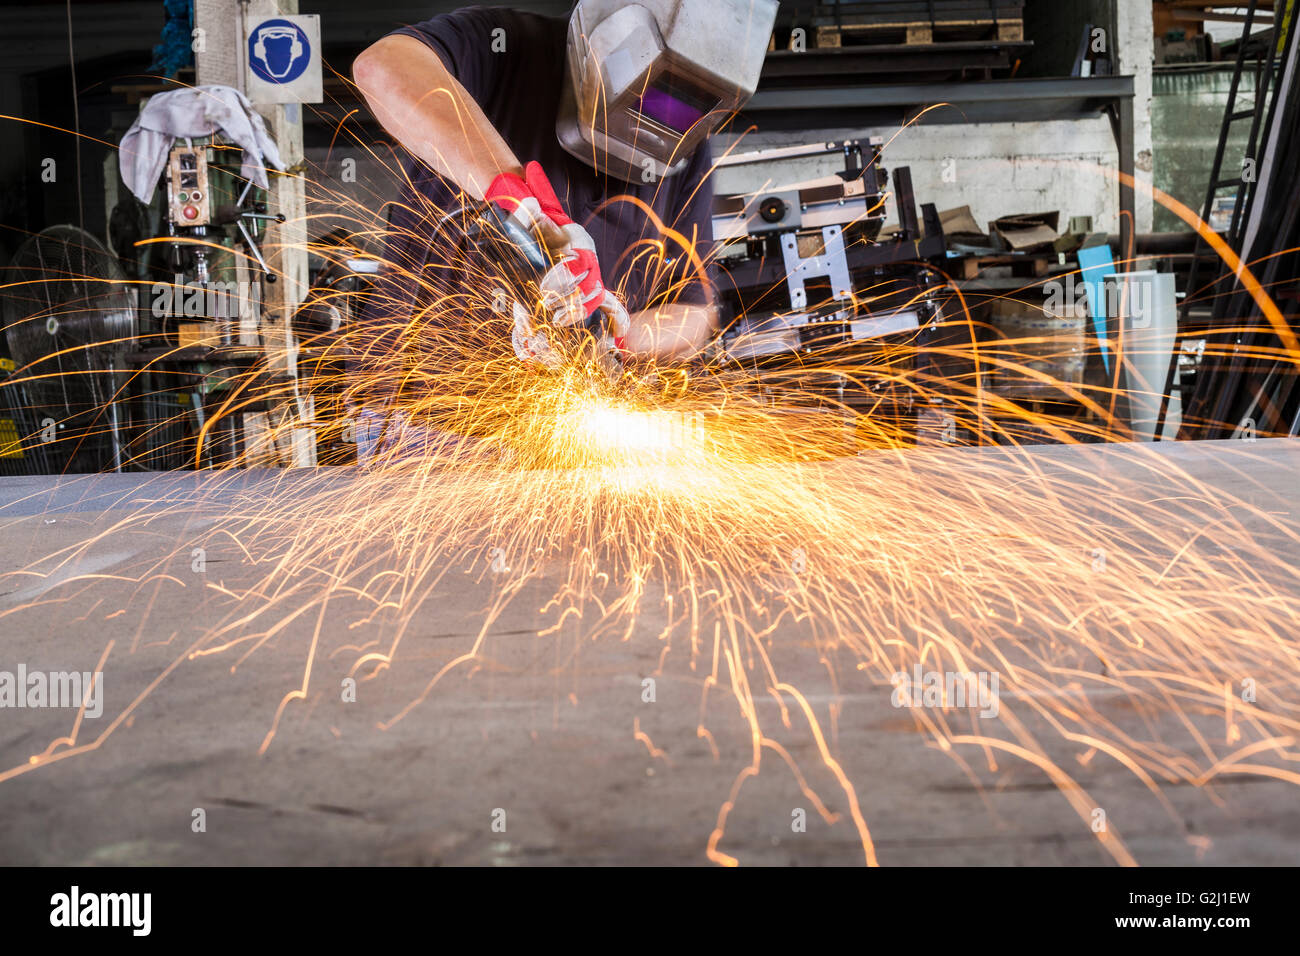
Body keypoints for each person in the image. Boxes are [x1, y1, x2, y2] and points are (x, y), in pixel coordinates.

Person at [351, 0, 777, 398]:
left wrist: (610, 332)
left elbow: (695, 315)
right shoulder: (503, 46)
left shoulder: (687, 146)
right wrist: (525, 209)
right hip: (426, 417)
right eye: (649, 91)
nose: (660, 120)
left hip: (556, 433)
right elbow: (381, 68)